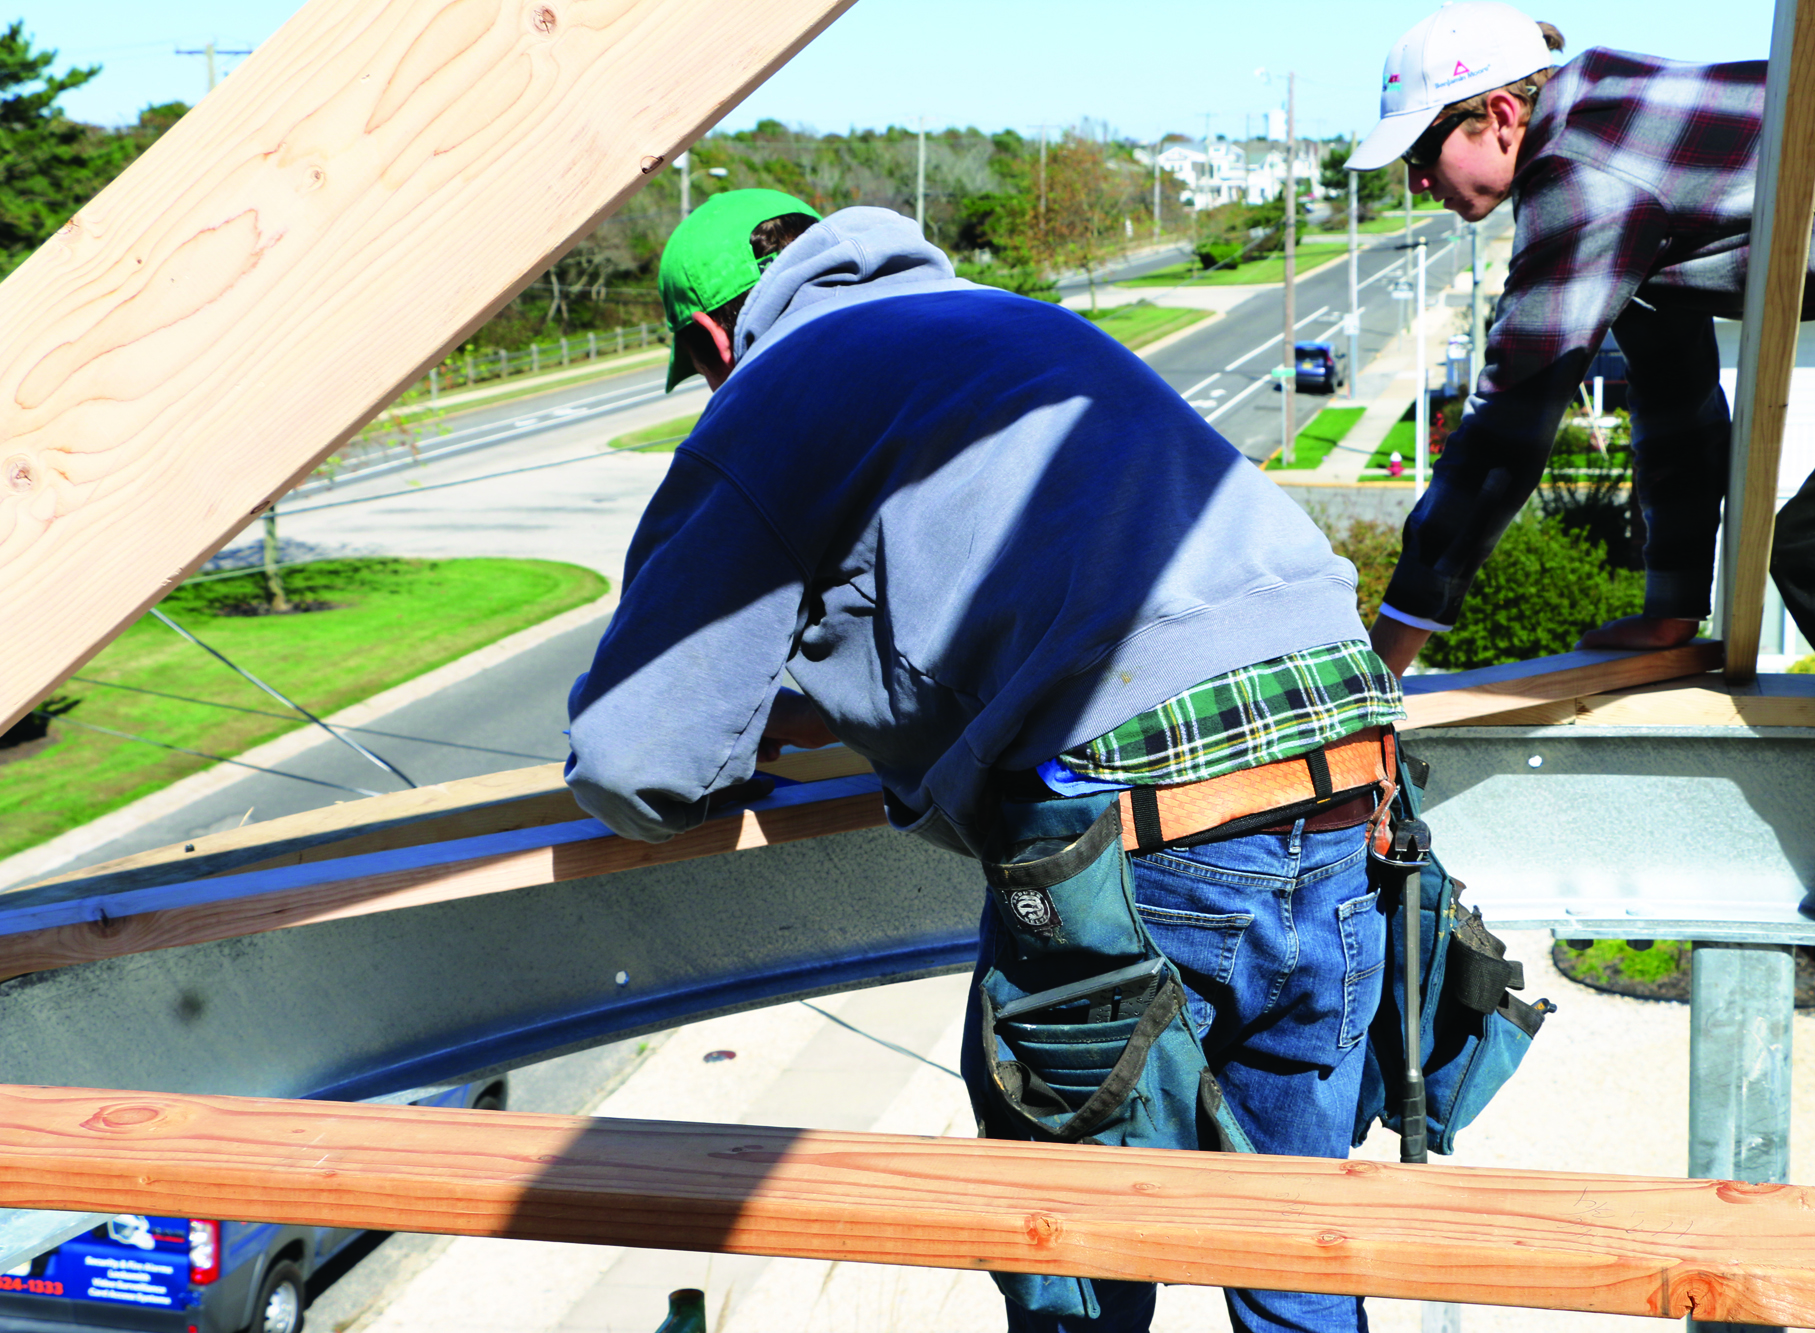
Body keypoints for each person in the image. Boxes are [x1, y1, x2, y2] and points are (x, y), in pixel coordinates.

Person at [563, 187, 1406, 1332]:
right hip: (1346, 766)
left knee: (1073, 1272)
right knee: (1299, 1271)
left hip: (1146, 831)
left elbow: (635, 763)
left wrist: (736, 727)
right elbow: (1040, 593)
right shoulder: (1010, 321)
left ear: (715, 338)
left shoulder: (770, 390)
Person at [1348, 1, 1815, 950]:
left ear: (1496, 114)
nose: (1415, 182)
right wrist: (1671, 607)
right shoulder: (1626, 148)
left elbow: (1509, 423)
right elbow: (1678, 408)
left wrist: (1389, 658)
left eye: (1422, 152)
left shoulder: (1581, 173)